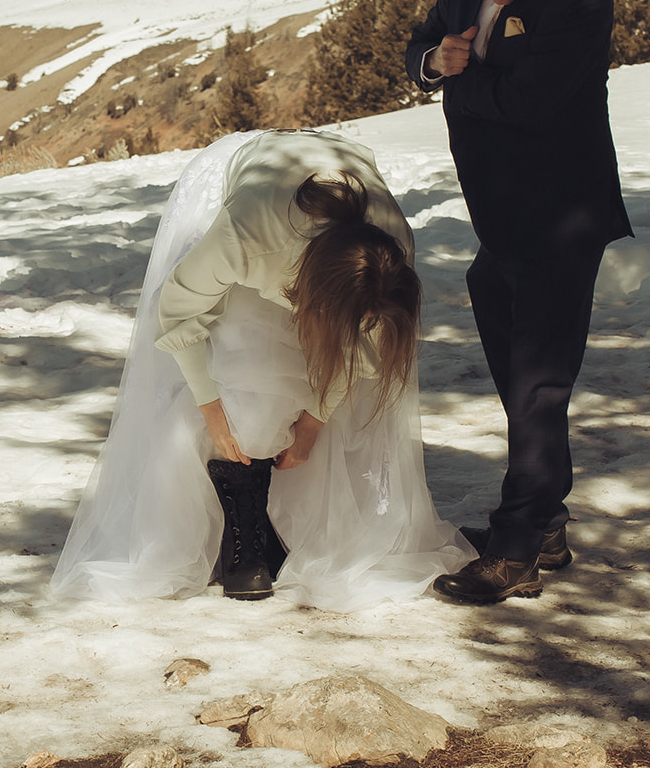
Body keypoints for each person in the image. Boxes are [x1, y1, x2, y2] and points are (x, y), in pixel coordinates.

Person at [51, 128, 471, 611]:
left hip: (310, 230)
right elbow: (179, 311)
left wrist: (313, 422)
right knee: (249, 366)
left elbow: (364, 352)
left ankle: (277, 518)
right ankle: (242, 527)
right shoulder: (245, 238)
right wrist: (212, 409)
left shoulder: (388, 256)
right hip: (249, 193)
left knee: (314, 386)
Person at [406, 0, 632, 603]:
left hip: (561, 211)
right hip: (499, 216)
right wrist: (436, 62)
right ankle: (546, 523)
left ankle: (516, 550)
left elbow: (534, 100)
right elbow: (423, 43)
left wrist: (461, 83)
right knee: (522, 374)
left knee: (538, 382)